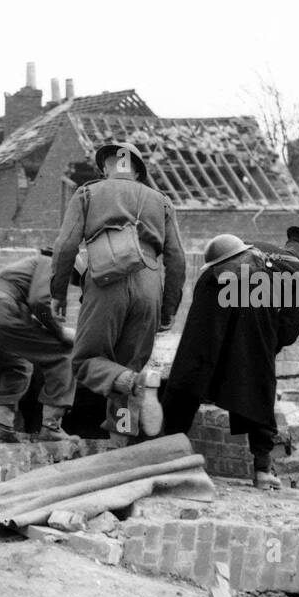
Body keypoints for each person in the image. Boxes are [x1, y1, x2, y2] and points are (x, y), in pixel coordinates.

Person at [161, 228, 299, 489]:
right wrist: (261, 348)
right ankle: (262, 470)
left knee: (194, 361)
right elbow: (289, 332)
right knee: (257, 379)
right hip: (255, 294)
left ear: (288, 245)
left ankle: (165, 448)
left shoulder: (249, 244)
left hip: (214, 277)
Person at [50, 141, 186, 441]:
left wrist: (58, 294)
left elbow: (65, 247)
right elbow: (177, 259)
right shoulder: (161, 201)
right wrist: (169, 308)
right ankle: (121, 440)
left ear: (105, 168)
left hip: (105, 279)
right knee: (127, 368)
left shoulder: (88, 192)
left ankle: (133, 382)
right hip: (149, 283)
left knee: (88, 362)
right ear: (138, 172)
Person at [0, 250, 76, 443]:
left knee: (15, 367)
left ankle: (1, 427)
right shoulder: (50, 262)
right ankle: (51, 426)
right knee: (62, 354)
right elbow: (39, 302)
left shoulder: (21, 268)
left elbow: (26, 312)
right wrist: (59, 332)